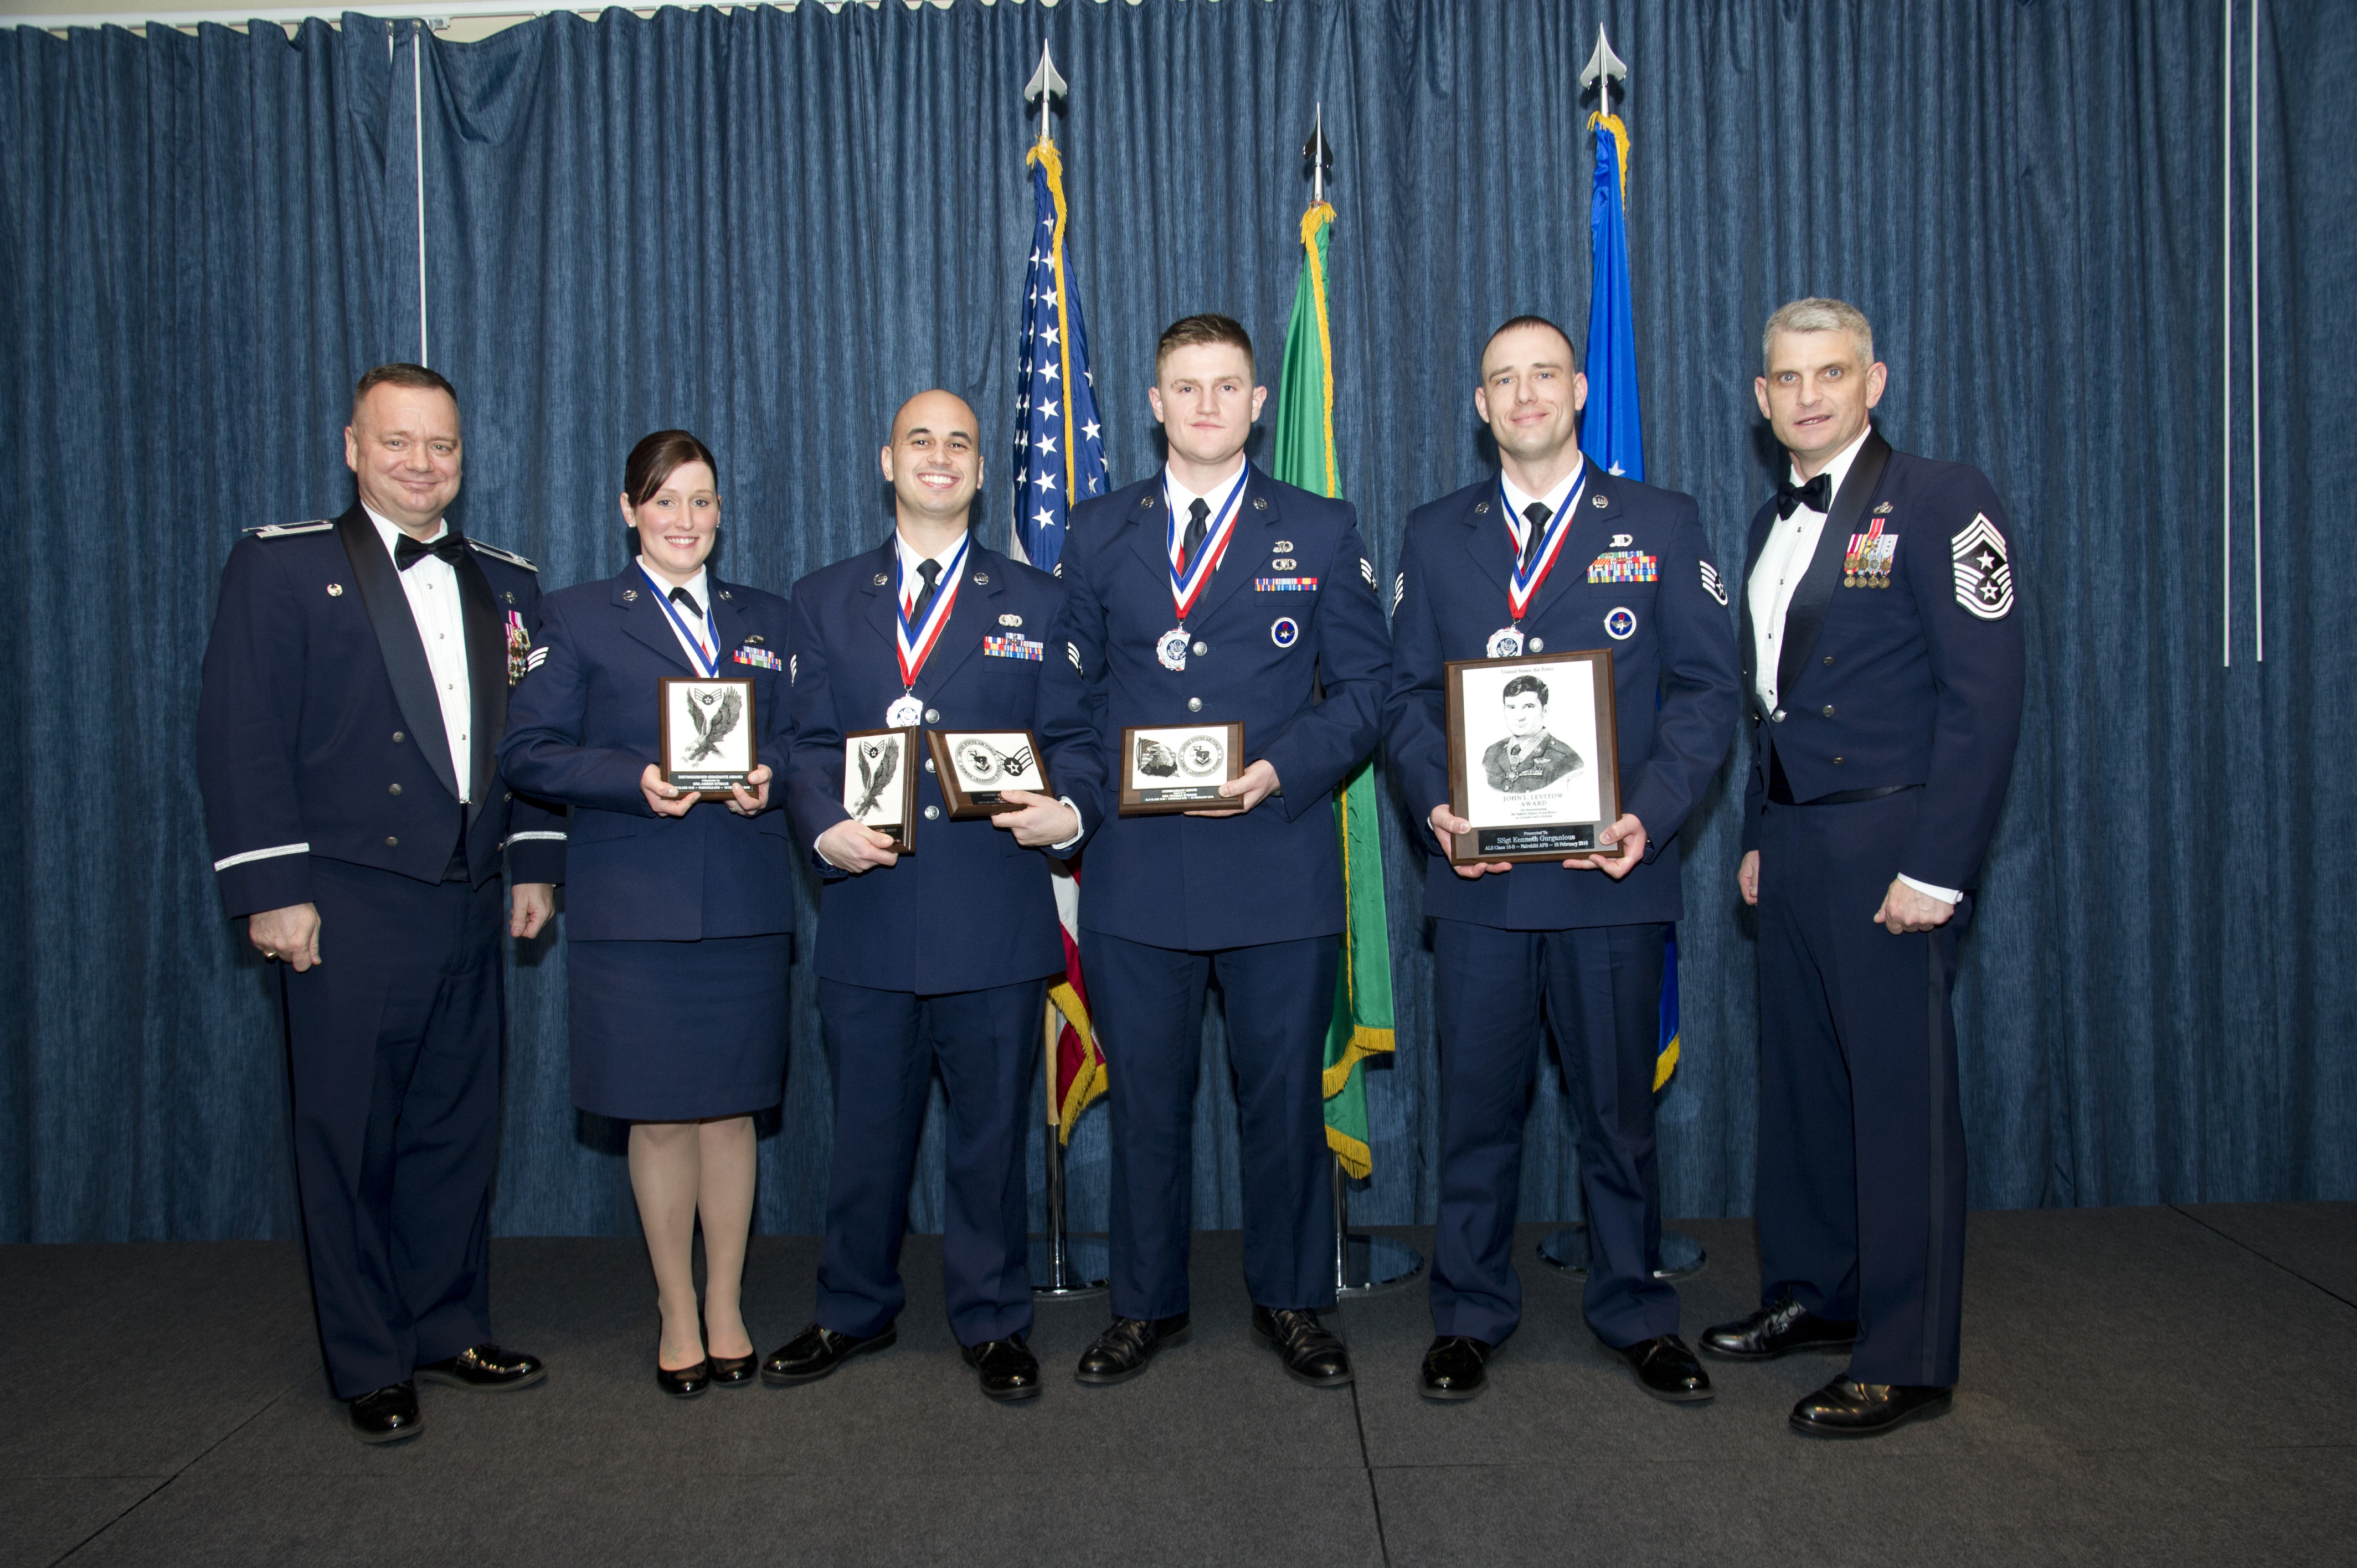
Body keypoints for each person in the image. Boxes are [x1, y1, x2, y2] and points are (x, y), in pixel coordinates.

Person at [195, 363, 560, 1443]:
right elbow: (239, 737)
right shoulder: (281, 568)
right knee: (347, 1137)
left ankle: (445, 1326)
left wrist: (534, 861)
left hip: (467, 895)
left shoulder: (510, 582)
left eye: (441, 445)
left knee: (457, 1128)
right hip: (343, 900)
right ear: (353, 446)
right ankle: (366, 1356)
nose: (421, 463)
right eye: (398, 442)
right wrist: (273, 891)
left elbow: (530, 745)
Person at [1386, 315, 1741, 1404]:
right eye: (1503, 379)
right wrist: (1439, 805)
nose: (1525, 394)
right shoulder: (1434, 534)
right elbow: (1404, 700)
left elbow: (1705, 691)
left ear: (1578, 390)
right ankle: (1468, 1314)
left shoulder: (1662, 522)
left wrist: (1653, 811)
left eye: (1544, 374)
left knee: (1618, 1123)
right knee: (1477, 1119)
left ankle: (1635, 1310)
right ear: (1480, 405)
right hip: (1481, 887)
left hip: (1611, 881)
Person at [1706, 298, 2024, 1437]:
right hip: (1794, 843)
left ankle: (1905, 1352)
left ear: (1873, 379)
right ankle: (1815, 1291)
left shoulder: (1943, 501)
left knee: (1898, 1104)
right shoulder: (1765, 525)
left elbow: (1983, 702)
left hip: (1893, 845)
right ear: (1760, 397)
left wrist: (1939, 867)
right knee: (1802, 1090)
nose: (1808, 395)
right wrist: (1754, 830)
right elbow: (1770, 706)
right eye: (1786, 378)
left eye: (1829, 373)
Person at [1060, 314, 1392, 1390]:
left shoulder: (1323, 528)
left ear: (1257, 402)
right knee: (1147, 1101)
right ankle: (1143, 1306)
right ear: (1154, 404)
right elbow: (1065, 704)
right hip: (1136, 872)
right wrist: (1080, 800)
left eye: (1227, 386)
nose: (1206, 405)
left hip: (1274, 862)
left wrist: (1281, 770)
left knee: (1281, 1103)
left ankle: (1292, 1300)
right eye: (1185, 387)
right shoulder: (1094, 530)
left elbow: (1370, 692)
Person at [768, 390, 1096, 1404]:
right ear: (887, 460)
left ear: (983, 470)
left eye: (960, 442)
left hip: (991, 915)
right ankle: (852, 1309)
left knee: (990, 1140)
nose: (940, 456)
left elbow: (1076, 740)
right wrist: (820, 819)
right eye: (921, 440)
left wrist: (1071, 813)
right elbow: (804, 743)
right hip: (866, 911)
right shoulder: (821, 598)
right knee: (866, 1135)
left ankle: (993, 1320)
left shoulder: (1040, 601)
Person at [496, 430, 794, 1399]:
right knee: (660, 1119)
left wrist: (772, 778)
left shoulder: (768, 620)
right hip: (635, 906)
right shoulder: (575, 617)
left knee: (733, 1114)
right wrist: (634, 778)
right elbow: (528, 751)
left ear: (720, 511)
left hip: (745, 901)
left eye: (702, 501)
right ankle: (675, 1305)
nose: (685, 520)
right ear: (629, 509)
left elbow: (809, 743)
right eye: (665, 501)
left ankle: (726, 1303)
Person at [1482, 673, 1584, 792]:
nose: (1519, 717)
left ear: (1544, 710)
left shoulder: (1566, 759)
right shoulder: (1492, 753)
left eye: (1529, 707)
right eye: (1511, 707)